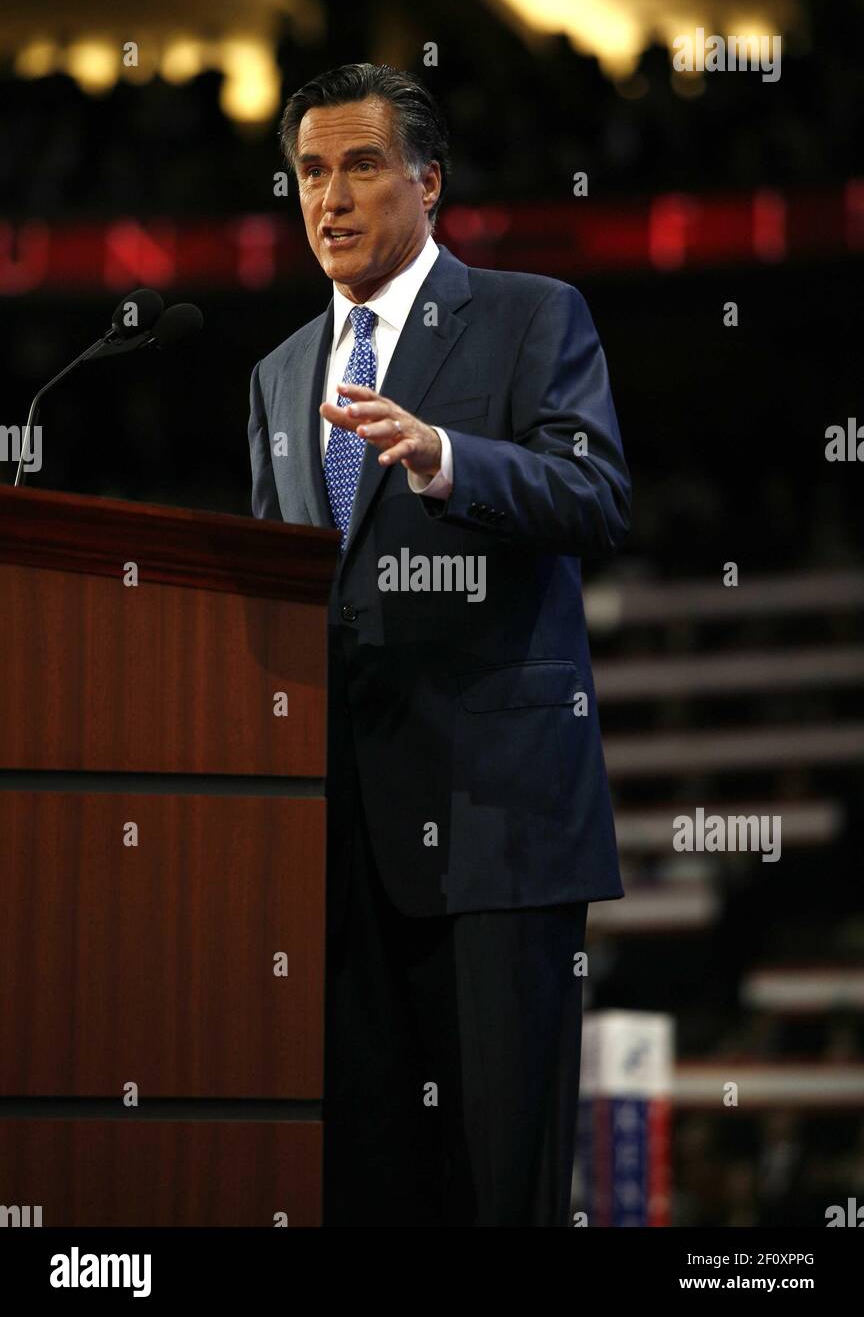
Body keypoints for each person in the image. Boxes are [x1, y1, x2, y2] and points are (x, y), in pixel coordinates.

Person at [248, 62, 630, 1226]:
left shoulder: (531, 314)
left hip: (494, 831)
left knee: (498, 1186)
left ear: (429, 182)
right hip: (340, 850)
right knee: (367, 1189)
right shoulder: (275, 377)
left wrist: (447, 457)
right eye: (312, 172)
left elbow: (596, 495)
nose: (331, 198)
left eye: (362, 166)